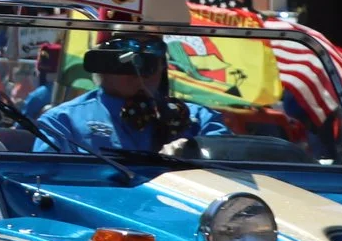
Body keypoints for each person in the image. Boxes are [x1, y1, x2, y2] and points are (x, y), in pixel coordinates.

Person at [33, 33, 227, 155]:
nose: (141, 62)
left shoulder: (199, 120)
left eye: (153, 49)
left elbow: (233, 168)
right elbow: (47, 187)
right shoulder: (62, 122)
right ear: (102, 62)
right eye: (125, 49)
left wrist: (194, 152)